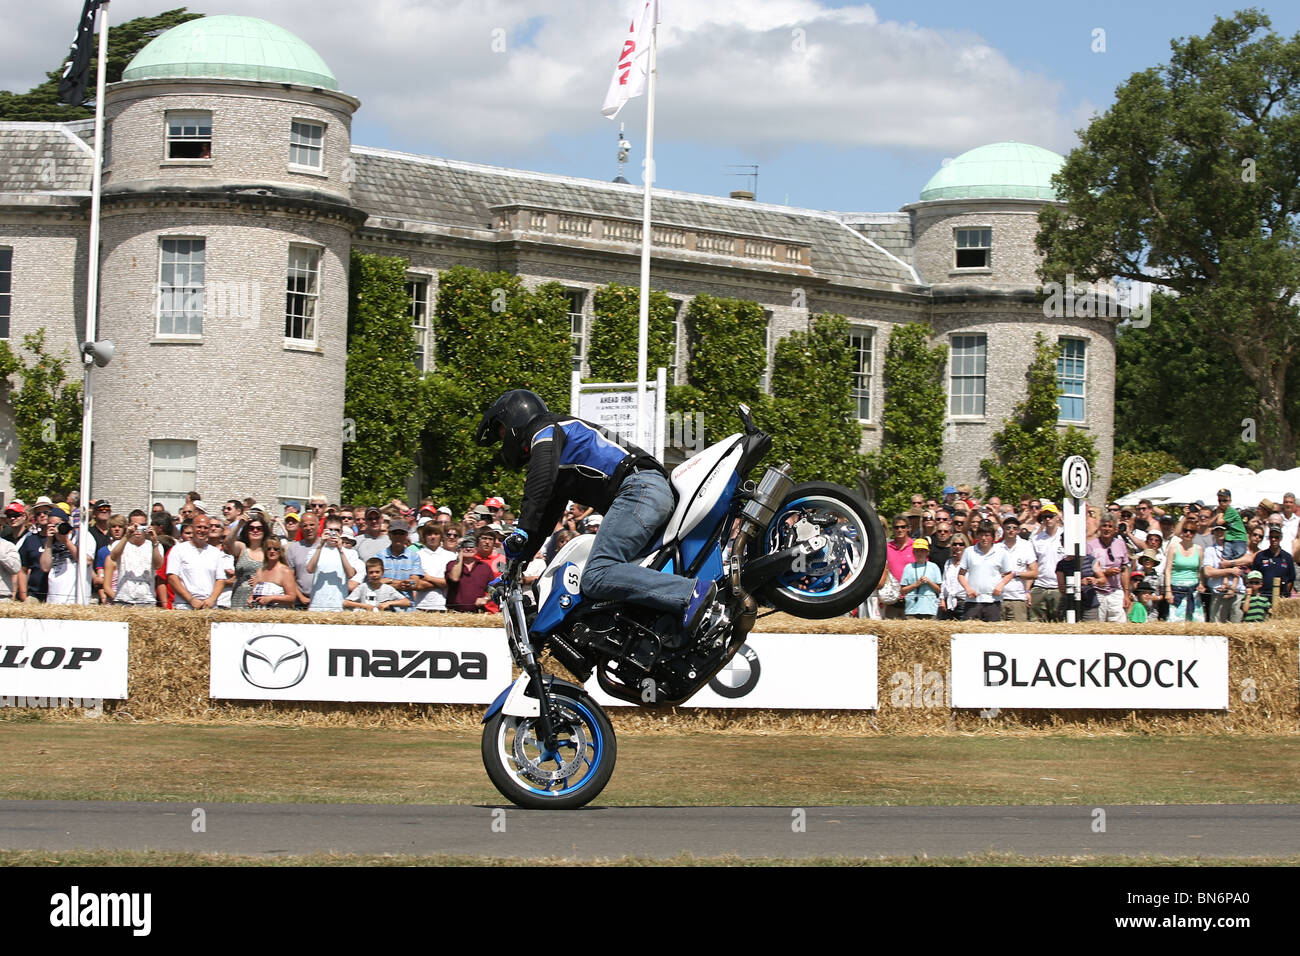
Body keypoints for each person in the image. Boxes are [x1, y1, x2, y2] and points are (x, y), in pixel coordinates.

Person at [475, 389, 717, 637]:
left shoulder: (545, 429)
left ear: (515, 417)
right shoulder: (558, 457)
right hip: (645, 491)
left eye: (501, 430)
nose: (502, 438)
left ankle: (689, 593)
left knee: (597, 573)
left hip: (638, 489)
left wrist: (521, 530)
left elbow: (539, 483)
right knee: (613, 579)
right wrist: (517, 563)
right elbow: (545, 517)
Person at [167, 514, 226, 610]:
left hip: (209, 607)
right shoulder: (178, 549)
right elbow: (172, 577)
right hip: (184, 606)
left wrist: (212, 599)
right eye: (199, 527)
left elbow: (220, 579)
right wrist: (190, 599)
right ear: (192, 528)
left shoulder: (215, 552)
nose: (202, 530)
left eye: (205, 528)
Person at [958, 521, 1013, 621]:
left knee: (992, 634)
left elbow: (1009, 573)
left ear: (992, 537)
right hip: (973, 600)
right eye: (981, 535)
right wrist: (967, 588)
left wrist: (1001, 585)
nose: (984, 538)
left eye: (987, 535)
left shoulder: (1001, 552)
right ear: (977, 536)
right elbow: (961, 574)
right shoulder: (969, 551)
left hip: (993, 600)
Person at [104, 515, 163, 606]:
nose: (138, 529)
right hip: (123, 598)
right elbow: (113, 557)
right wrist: (127, 536)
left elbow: (158, 566)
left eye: (142, 525)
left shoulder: (155, 545)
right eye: (135, 526)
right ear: (128, 526)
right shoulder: (119, 543)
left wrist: (154, 542)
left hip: (146, 599)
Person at [306, 516, 357, 611]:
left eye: (336, 530)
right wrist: (320, 545)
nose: (333, 533)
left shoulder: (350, 553)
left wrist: (340, 549)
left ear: (341, 532)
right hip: (316, 605)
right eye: (330, 530)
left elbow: (350, 574)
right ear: (324, 531)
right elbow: (309, 569)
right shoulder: (315, 551)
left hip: (338, 605)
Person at [1088, 516, 1131, 622]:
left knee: (1119, 625)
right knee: (1098, 625)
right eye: (1104, 526)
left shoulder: (1120, 544)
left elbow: (1124, 570)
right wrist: (1106, 573)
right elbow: (1087, 571)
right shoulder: (1090, 546)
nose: (1107, 529)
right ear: (1099, 528)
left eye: (1110, 526)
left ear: (1115, 529)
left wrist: (1126, 594)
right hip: (1097, 592)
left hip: (1116, 591)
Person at [446, 530, 499, 612]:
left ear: (477, 548)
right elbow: (455, 578)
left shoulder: (484, 567)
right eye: (464, 546)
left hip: (477, 614)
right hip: (454, 614)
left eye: (471, 546)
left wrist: (486, 598)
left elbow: (494, 590)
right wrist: (460, 554)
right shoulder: (452, 564)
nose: (468, 549)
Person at [997, 515, 1038, 622]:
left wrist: (1015, 574)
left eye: (1015, 528)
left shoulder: (1026, 546)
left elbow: (1034, 573)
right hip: (999, 598)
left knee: (1019, 634)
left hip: (1018, 598)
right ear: (1003, 529)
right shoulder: (996, 548)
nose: (1011, 530)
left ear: (1019, 530)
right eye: (1008, 528)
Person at [1029, 503, 1064, 622]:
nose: (1048, 519)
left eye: (1050, 516)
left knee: (1059, 621)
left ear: (1057, 517)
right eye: (1044, 517)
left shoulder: (1065, 536)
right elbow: (1031, 565)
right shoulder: (1036, 539)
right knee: (1035, 621)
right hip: (1040, 585)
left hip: (1058, 586)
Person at [1164, 524, 1204, 622]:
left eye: (1191, 532)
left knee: (1195, 622)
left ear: (1195, 534)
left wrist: (1201, 583)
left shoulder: (1199, 549)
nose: (1188, 533)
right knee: (1176, 621)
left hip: (1193, 589)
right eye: (1185, 530)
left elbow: (1200, 570)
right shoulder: (1173, 548)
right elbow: (1167, 570)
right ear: (1182, 532)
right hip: (1176, 589)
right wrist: (1168, 591)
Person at [345, 557, 412, 611]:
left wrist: (389, 603)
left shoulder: (387, 588)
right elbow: (346, 603)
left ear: (382, 572)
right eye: (371, 572)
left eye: (377, 572)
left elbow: (407, 602)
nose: (374, 575)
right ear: (367, 574)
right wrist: (364, 606)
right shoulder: (362, 587)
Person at [899, 537, 941, 619]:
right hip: (911, 610)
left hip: (930, 610)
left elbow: (939, 590)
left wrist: (929, 582)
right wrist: (916, 584)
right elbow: (902, 591)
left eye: (922, 550)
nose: (919, 553)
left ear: (927, 552)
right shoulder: (908, 568)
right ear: (913, 552)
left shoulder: (934, 567)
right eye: (917, 551)